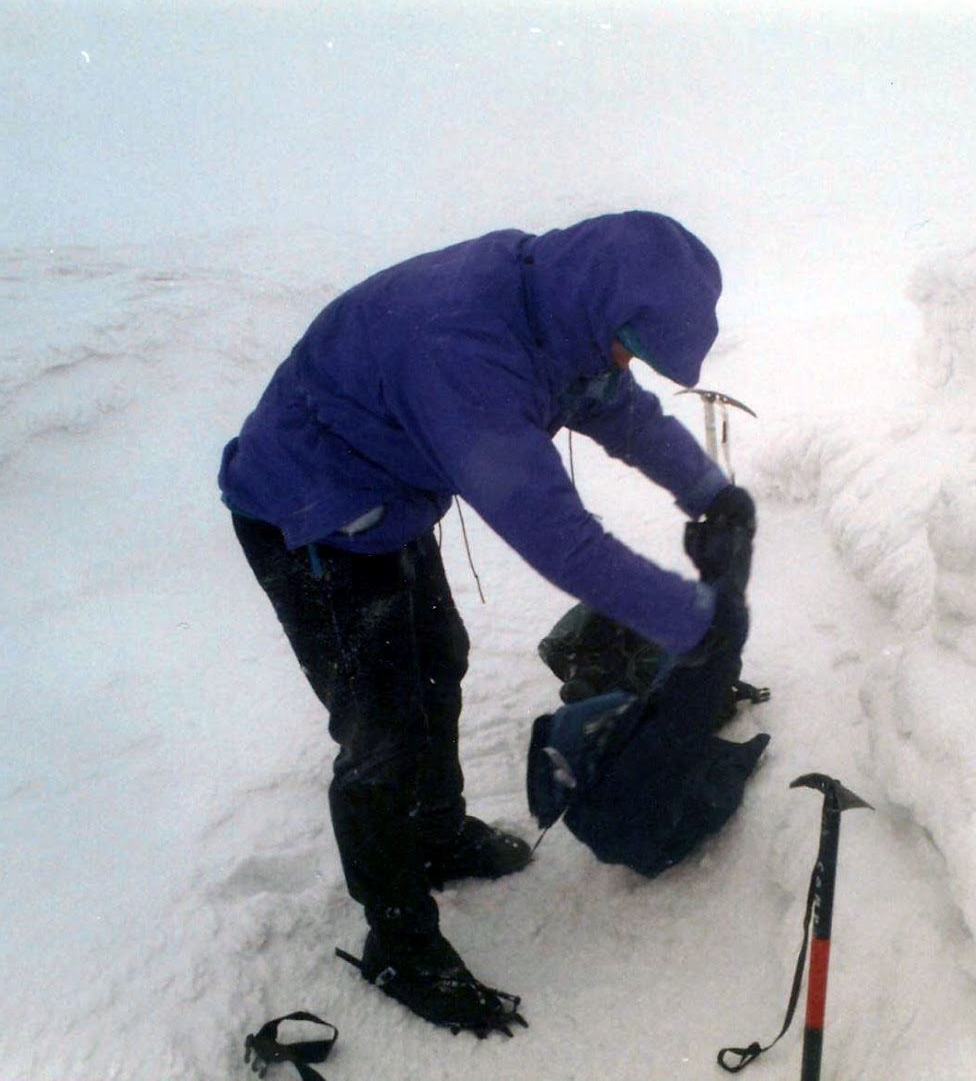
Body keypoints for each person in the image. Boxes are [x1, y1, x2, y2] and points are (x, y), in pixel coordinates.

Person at [219, 210, 754, 1038]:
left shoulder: (556, 309)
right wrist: (690, 618)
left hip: (382, 502)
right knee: (382, 724)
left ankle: (433, 834)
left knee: (438, 655)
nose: (624, 362)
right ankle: (399, 941)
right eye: (627, 344)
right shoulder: (464, 351)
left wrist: (709, 492)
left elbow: (617, 407)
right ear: (599, 309)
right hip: (309, 511)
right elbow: (558, 536)